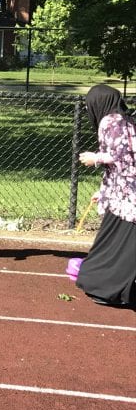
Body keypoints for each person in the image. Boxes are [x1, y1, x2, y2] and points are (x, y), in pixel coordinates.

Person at [76, 84, 136, 307]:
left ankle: (106, 286)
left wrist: (95, 158)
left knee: (118, 243)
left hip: (127, 196)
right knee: (113, 240)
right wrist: (102, 191)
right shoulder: (124, 121)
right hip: (121, 192)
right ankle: (99, 282)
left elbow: (120, 156)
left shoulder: (110, 122)